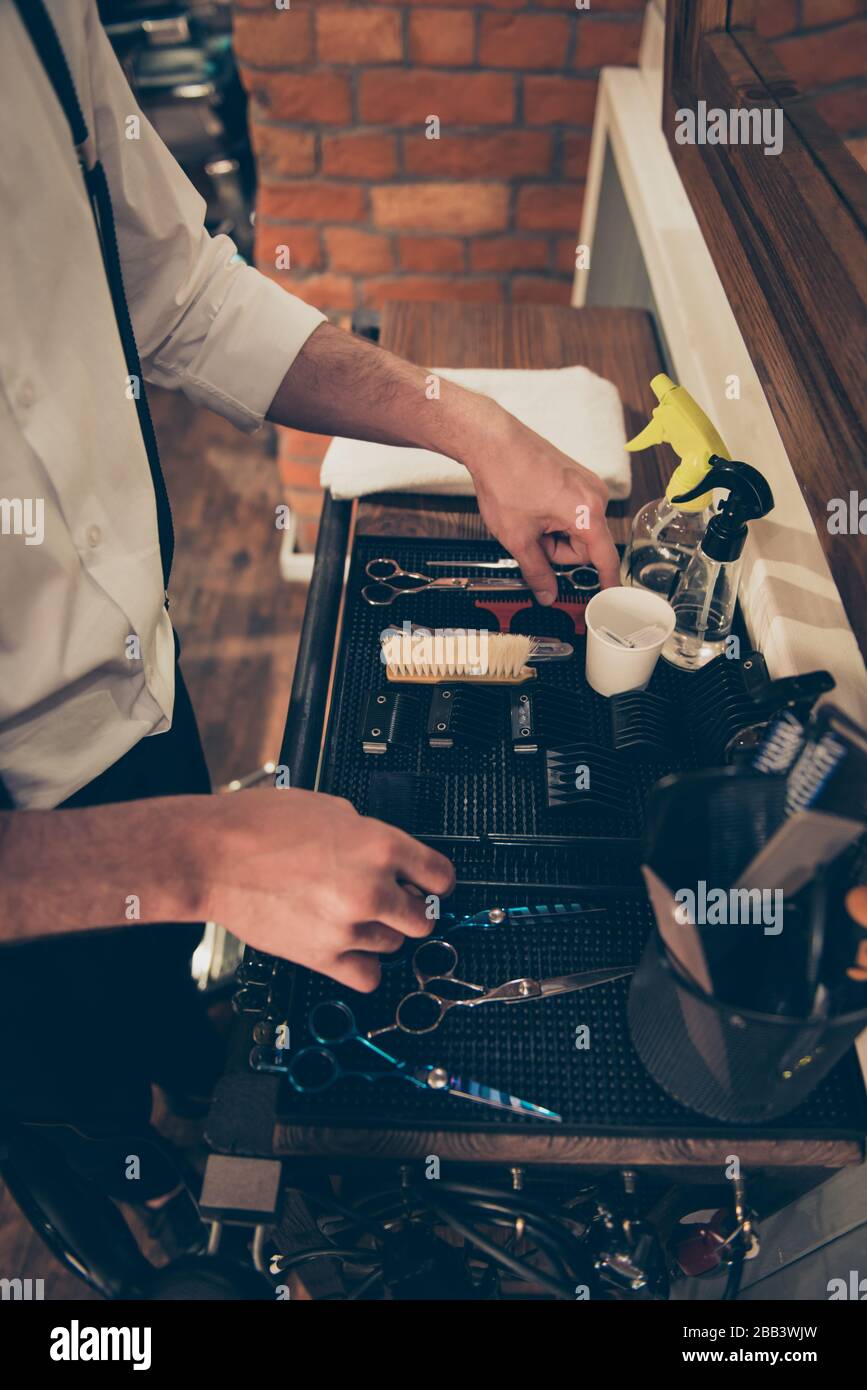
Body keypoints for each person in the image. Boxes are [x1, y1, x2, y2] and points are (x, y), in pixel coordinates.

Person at [0, 0, 620, 1194]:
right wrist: (201, 852)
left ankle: (182, 1090)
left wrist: (473, 428)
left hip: (138, 703)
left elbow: (180, 294)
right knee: (80, 1136)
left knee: (174, 1016)